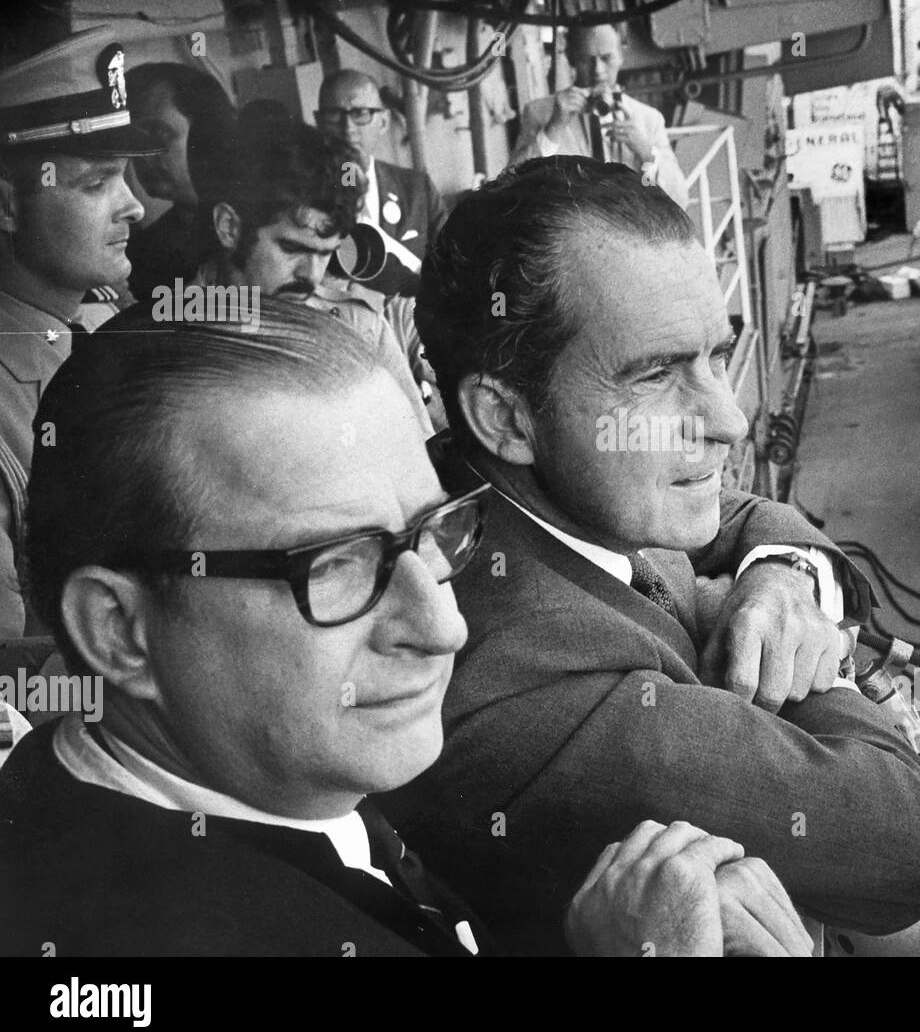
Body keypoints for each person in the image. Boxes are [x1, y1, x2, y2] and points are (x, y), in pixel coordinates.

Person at [0, 299, 812, 958]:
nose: (441, 624)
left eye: (432, 533)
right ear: (118, 631)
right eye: (335, 564)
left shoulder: (240, 780)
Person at [379, 157, 920, 954]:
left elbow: (738, 515)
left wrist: (782, 577)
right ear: (506, 418)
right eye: (655, 375)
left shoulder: (532, 488)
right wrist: (802, 664)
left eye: (715, 358)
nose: (726, 421)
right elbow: (916, 845)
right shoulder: (524, 689)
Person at [0, 28, 162, 637]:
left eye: (124, 177)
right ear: (7, 206)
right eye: (95, 184)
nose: (134, 207)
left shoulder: (106, 323)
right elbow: (7, 678)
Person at [196, 107, 443, 431]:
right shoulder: (173, 332)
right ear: (228, 227)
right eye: (292, 248)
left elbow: (419, 452)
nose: (310, 275)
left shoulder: (360, 327)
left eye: (325, 254)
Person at [509, 23, 689, 208]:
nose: (598, 71)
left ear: (621, 55)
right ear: (571, 59)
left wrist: (645, 152)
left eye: (606, 58)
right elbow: (510, 186)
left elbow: (678, 201)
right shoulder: (539, 112)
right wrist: (553, 130)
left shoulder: (649, 120)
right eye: (586, 60)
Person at [125, 62, 236, 300]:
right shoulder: (145, 253)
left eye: (159, 133)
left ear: (207, 134)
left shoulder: (259, 222)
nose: (143, 155)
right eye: (135, 139)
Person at [315, 69, 447, 260]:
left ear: (383, 122)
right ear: (319, 122)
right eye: (334, 114)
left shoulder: (418, 189)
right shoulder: (303, 191)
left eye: (361, 113)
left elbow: (455, 270)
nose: (348, 128)